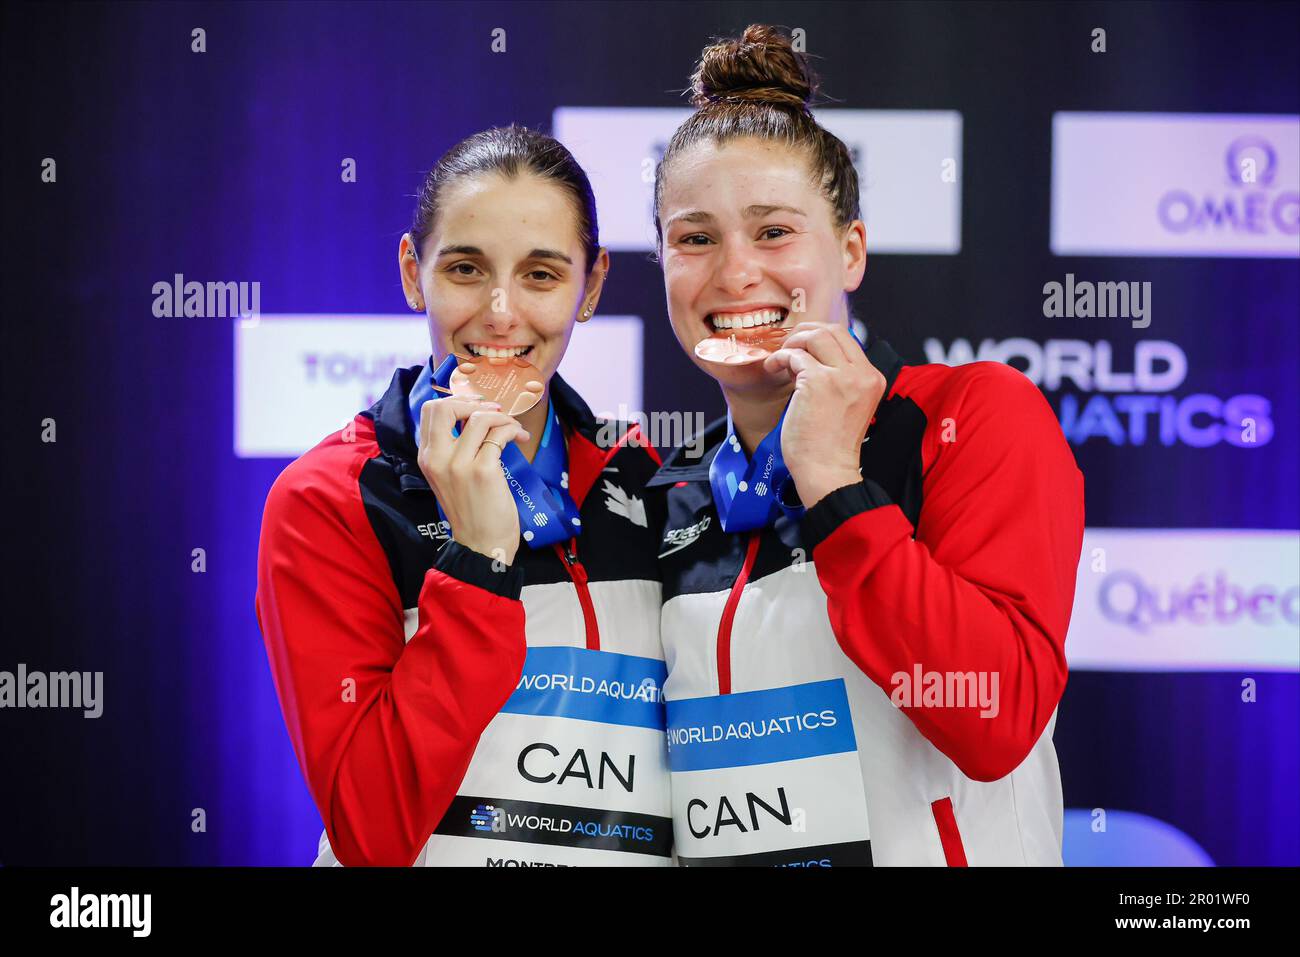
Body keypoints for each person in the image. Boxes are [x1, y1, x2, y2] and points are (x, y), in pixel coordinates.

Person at [646, 25, 1085, 866]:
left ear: (849, 249)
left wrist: (834, 485)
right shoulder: (666, 489)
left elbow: (993, 720)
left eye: (774, 231)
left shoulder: (970, 416)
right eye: (695, 238)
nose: (735, 273)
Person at [256, 125, 670, 867]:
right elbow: (370, 832)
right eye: (466, 269)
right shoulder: (328, 499)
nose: (501, 312)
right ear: (414, 272)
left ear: (593, 285)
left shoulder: (643, 478)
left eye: (542, 275)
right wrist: (478, 563)